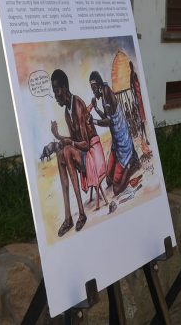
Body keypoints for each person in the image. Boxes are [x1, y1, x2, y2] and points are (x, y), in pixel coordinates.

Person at [49, 69, 99, 236]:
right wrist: (58, 136)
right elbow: (73, 138)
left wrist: (69, 143)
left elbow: (84, 144)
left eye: (57, 91)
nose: (55, 96)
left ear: (64, 88)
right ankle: (68, 217)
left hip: (92, 153)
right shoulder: (66, 111)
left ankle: (82, 213)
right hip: (81, 153)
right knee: (60, 153)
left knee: (68, 151)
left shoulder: (77, 104)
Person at [90, 70, 140, 197]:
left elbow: (108, 122)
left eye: (94, 87)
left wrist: (93, 121)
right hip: (116, 143)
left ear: (98, 84)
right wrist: (95, 109)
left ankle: (130, 164)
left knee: (117, 188)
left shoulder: (106, 91)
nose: (93, 91)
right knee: (108, 180)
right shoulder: (103, 92)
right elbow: (107, 116)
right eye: (91, 88)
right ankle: (130, 162)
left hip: (123, 142)